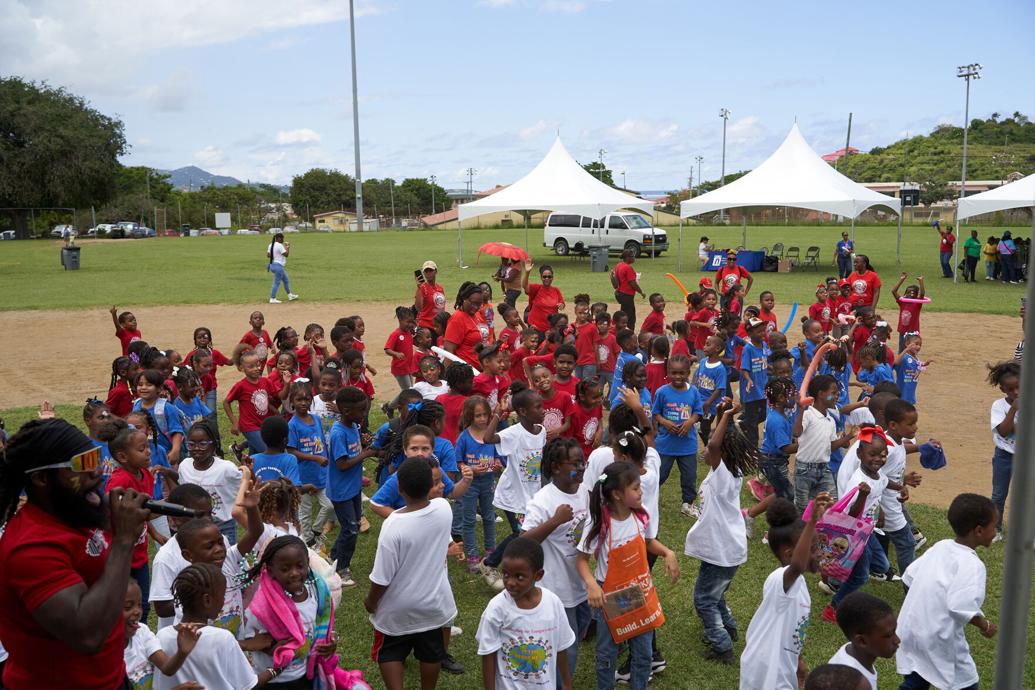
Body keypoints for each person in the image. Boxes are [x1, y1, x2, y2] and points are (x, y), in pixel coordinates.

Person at [0, 418, 152, 690]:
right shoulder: (31, 547)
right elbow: (88, 636)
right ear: (41, 478)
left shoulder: (76, 511)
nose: (96, 472)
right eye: (81, 464)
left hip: (112, 677)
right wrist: (123, 540)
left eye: (94, 457)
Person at [577, 461, 679, 690]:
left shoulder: (640, 515)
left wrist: (667, 552)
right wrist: (592, 584)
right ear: (617, 495)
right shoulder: (600, 522)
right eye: (635, 488)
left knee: (643, 653)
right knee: (607, 652)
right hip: (610, 594)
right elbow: (581, 560)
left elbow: (647, 541)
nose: (641, 492)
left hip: (639, 591)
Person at [365, 458, 458, 690]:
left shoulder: (393, 525)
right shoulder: (444, 509)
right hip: (433, 606)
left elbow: (382, 577)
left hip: (396, 611)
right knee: (431, 654)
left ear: (399, 488)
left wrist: (371, 602)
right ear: (431, 485)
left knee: (390, 653)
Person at [895, 493, 999, 690]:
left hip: (912, 629)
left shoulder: (941, 546)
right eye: (994, 527)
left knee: (918, 676)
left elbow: (909, 576)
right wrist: (984, 625)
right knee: (966, 682)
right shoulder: (972, 564)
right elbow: (961, 607)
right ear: (979, 530)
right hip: (939, 637)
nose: (995, 532)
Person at [684, 400, 757, 665]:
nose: (706, 449)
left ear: (721, 452)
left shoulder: (723, 474)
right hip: (723, 548)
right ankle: (730, 628)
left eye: (711, 447)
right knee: (717, 593)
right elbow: (716, 441)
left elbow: (714, 444)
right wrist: (718, 415)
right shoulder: (729, 470)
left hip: (721, 550)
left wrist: (726, 414)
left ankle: (722, 646)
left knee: (704, 600)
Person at [738, 494, 832, 690]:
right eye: (813, 549)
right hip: (765, 670)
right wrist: (812, 521)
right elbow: (797, 565)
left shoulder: (800, 584)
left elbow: (790, 629)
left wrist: (798, 660)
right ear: (790, 554)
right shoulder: (779, 580)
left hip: (782, 666)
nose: (819, 553)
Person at [522, 438, 588, 684]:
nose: (581, 468)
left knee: (576, 637)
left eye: (582, 462)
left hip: (581, 585)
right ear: (555, 467)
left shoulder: (584, 491)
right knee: (567, 646)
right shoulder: (543, 500)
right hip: (557, 589)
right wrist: (554, 521)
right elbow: (523, 543)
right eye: (575, 463)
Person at [239, 535, 341, 688]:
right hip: (274, 680)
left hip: (306, 673)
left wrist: (329, 641)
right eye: (285, 569)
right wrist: (272, 647)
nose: (294, 573)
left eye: (300, 566)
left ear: (308, 563)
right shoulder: (262, 605)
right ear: (271, 570)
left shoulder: (316, 593)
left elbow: (319, 627)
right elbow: (251, 640)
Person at [476, 537, 575, 690]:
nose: (510, 582)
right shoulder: (496, 608)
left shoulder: (553, 603)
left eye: (519, 577)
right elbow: (488, 655)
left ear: (538, 575)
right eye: (506, 574)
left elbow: (561, 647)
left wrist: (566, 684)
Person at [155, 564, 266, 689]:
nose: (224, 601)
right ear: (207, 600)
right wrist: (276, 670)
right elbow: (249, 685)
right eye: (223, 596)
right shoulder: (223, 638)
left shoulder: (162, 636)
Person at [327, 387, 379, 587]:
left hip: (353, 487)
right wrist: (366, 454)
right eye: (361, 410)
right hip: (341, 491)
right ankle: (341, 569)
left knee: (354, 525)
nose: (364, 414)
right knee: (350, 529)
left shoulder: (353, 427)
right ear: (347, 411)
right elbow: (342, 464)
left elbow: (354, 453)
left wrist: (364, 446)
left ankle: (333, 556)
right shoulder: (339, 432)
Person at [121, 579, 202, 690]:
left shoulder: (141, 632)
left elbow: (167, 667)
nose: (137, 611)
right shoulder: (103, 655)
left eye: (139, 605)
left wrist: (182, 653)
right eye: (128, 607)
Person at [653, 355, 702, 518]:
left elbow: (697, 412)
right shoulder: (662, 392)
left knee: (689, 477)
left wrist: (690, 422)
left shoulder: (693, 392)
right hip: (666, 445)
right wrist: (665, 422)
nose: (678, 377)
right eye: (674, 373)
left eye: (681, 373)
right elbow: (656, 414)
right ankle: (649, 500)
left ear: (688, 372)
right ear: (668, 372)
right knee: (659, 474)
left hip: (687, 445)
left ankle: (688, 504)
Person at [987, 360, 1019, 541]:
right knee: (998, 494)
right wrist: (1013, 410)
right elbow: (1004, 431)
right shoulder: (999, 406)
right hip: (1004, 456)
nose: (1015, 392)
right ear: (1003, 390)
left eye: (1019, 387)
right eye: (1010, 389)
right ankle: (996, 529)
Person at [444, 282, 488, 368]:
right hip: (466, 372)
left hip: (480, 370)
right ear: (464, 299)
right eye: (473, 303)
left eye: (479, 304)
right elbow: (449, 351)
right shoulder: (457, 318)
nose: (476, 307)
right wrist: (449, 378)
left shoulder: (477, 315)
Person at [523, 261, 566, 336]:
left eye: (549, 276)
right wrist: (527, 272)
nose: (547, 278)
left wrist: (561, 305)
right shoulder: (536, 288)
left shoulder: (556, 290)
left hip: (550, 328)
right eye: (544, 276)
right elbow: (524, 286)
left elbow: (562, 303)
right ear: (541, 277)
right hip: (535, 327)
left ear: (552, 277)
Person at [611, 249, 645, 325]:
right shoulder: (628, 268)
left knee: (623, 313)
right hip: (627, 295)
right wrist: (641, 292)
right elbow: (633, 283)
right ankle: (628, 333)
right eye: (632, 256)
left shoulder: (619, 265)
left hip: (620, 293)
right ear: (627, 258)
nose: (634, 258)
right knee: (630, 318)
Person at [414, 260, 447, 335]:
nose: (428, 273)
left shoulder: (440, 288)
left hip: (439, 326)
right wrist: (419, 288)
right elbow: (418, 308)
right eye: (426, 271)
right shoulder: (422, 288)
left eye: (431, 270)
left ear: (435, 271)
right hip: (426, 327)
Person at [267, 232, 298, 303]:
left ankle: (290, 295)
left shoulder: (270, 245)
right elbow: (286, 255)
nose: (283, 240)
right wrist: (287, 247)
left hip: (272, 265)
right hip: (278, 266)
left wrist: (275, 254)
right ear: (279, 238)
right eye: (282, 238)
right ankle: (272, 298)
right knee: (276, 283)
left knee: (286, 280)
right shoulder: (279, 245)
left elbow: (268, 255)